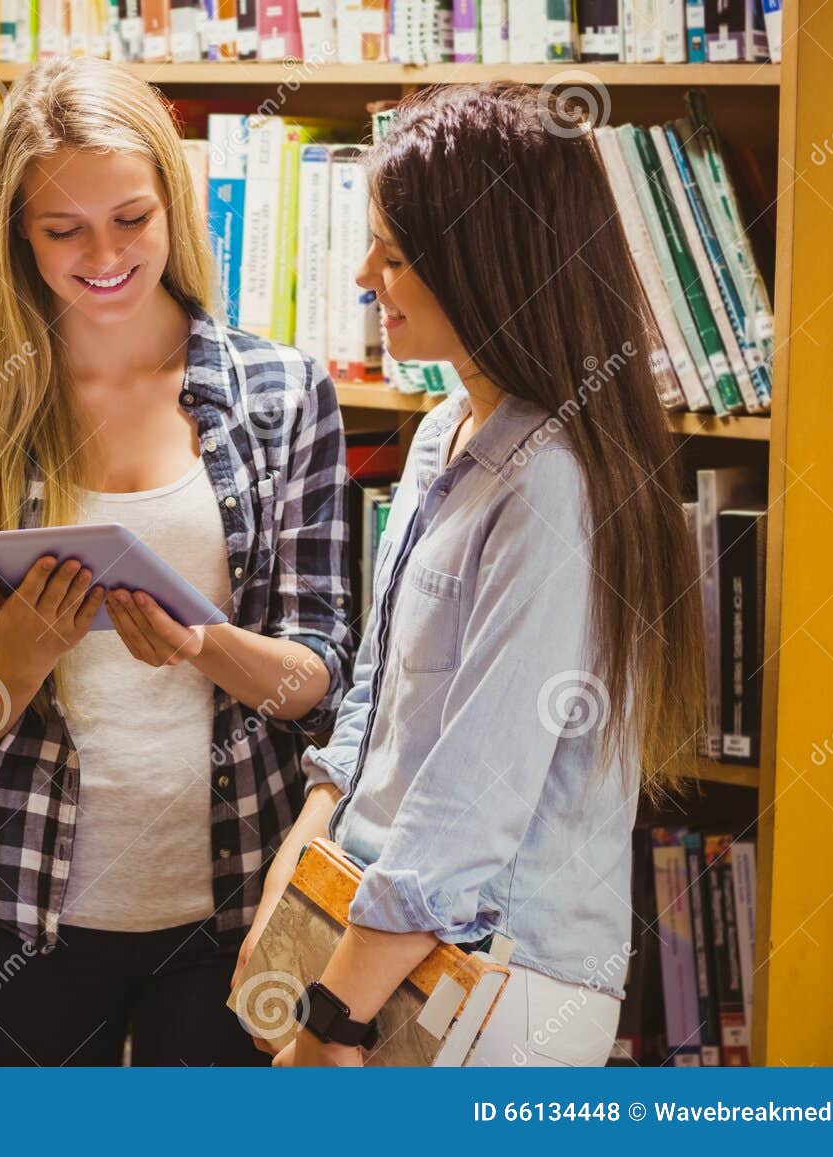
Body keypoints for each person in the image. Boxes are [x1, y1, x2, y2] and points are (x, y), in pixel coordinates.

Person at [0, 56, 354, 1066]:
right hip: (29, 907)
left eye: (131, 220)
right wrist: (15, 662)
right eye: (63, 229)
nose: (103, 254)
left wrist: (206, 644)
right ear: (17, 231)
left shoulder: (283, 395)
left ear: (173, 210)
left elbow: (324, 678)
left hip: (239, 900)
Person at [243, 84, 706, 1068]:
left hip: (490, 979)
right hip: (367, 935)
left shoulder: (550, 481)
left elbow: (473, 791)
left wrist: (335, 1020)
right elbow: (375, 701)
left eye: (396, 253)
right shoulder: (439, 438)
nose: (366, 274)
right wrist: (300, 863)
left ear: (486, 268)